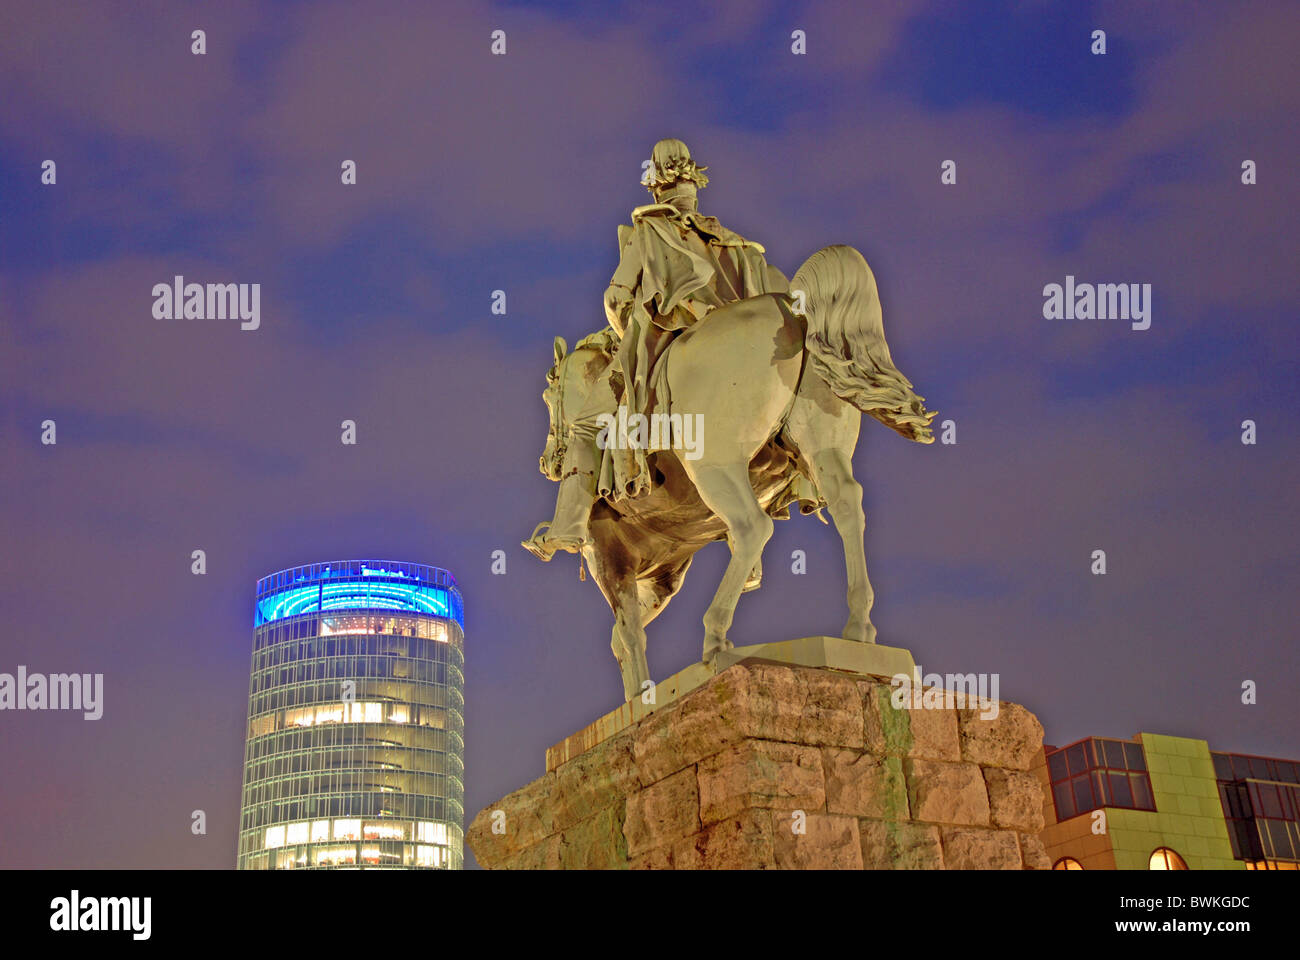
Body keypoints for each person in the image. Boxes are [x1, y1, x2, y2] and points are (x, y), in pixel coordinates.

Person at [523, 139, 788, 562]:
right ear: (693, 181)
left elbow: (615, 299)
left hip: (665, 340)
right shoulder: (735, 244)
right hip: (747, 356)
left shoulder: (650, 232)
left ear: (655, 185)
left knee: (588, 427)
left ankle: (568, 528)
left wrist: (630, 333)